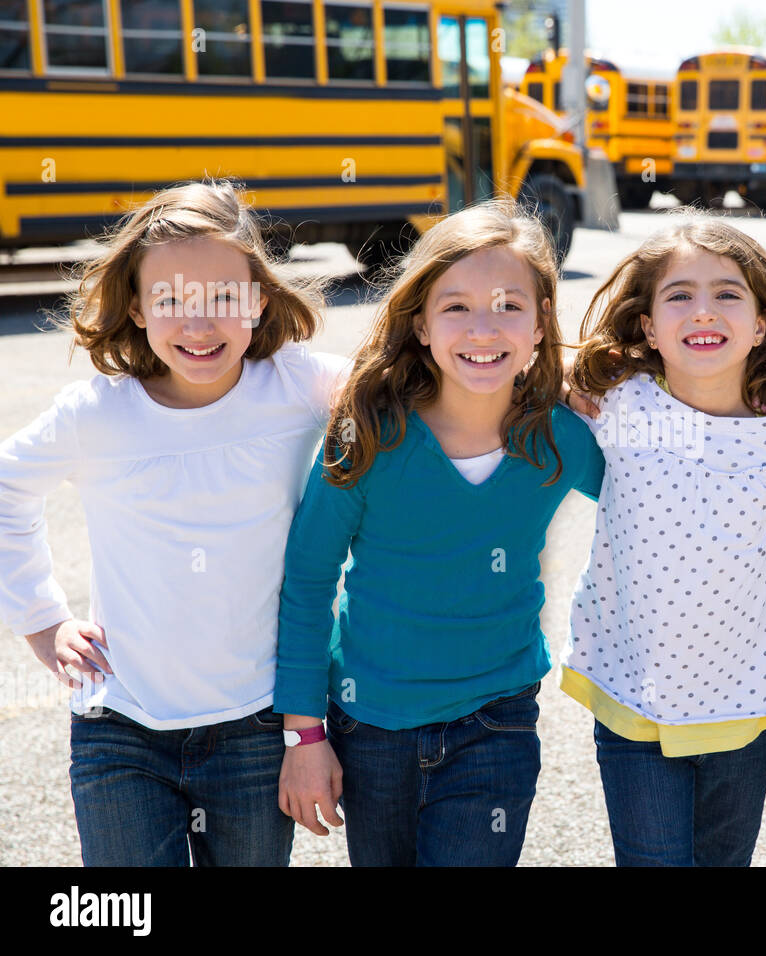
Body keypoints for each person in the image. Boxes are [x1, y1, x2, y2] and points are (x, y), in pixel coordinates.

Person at [0, 180, 347, 866]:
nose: (199, 324)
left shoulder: (297, 385)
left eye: (224, 298)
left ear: (260, 299)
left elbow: (411, 389)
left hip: (253, 726)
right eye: (171, 301)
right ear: (135, 304)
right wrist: (43, 621)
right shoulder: (96, 414)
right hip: (120, 729)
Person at [274, 200, 605, 867]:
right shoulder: (365, 436)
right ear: (420, 324)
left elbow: (671, 490)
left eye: (510, 305)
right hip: (371, 724)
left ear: (542, 324)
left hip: (497, 720)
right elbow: (308, 584)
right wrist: (303, 737)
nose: (484, 327)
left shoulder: (563, 437)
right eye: (456, 307)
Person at [561, 213, 766, 866]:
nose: (702, 311)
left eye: (728, 294)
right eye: (679, 294)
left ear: (762, 323)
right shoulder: (619, 403)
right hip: (633, 694)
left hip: (747, 700)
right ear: (648, 326)